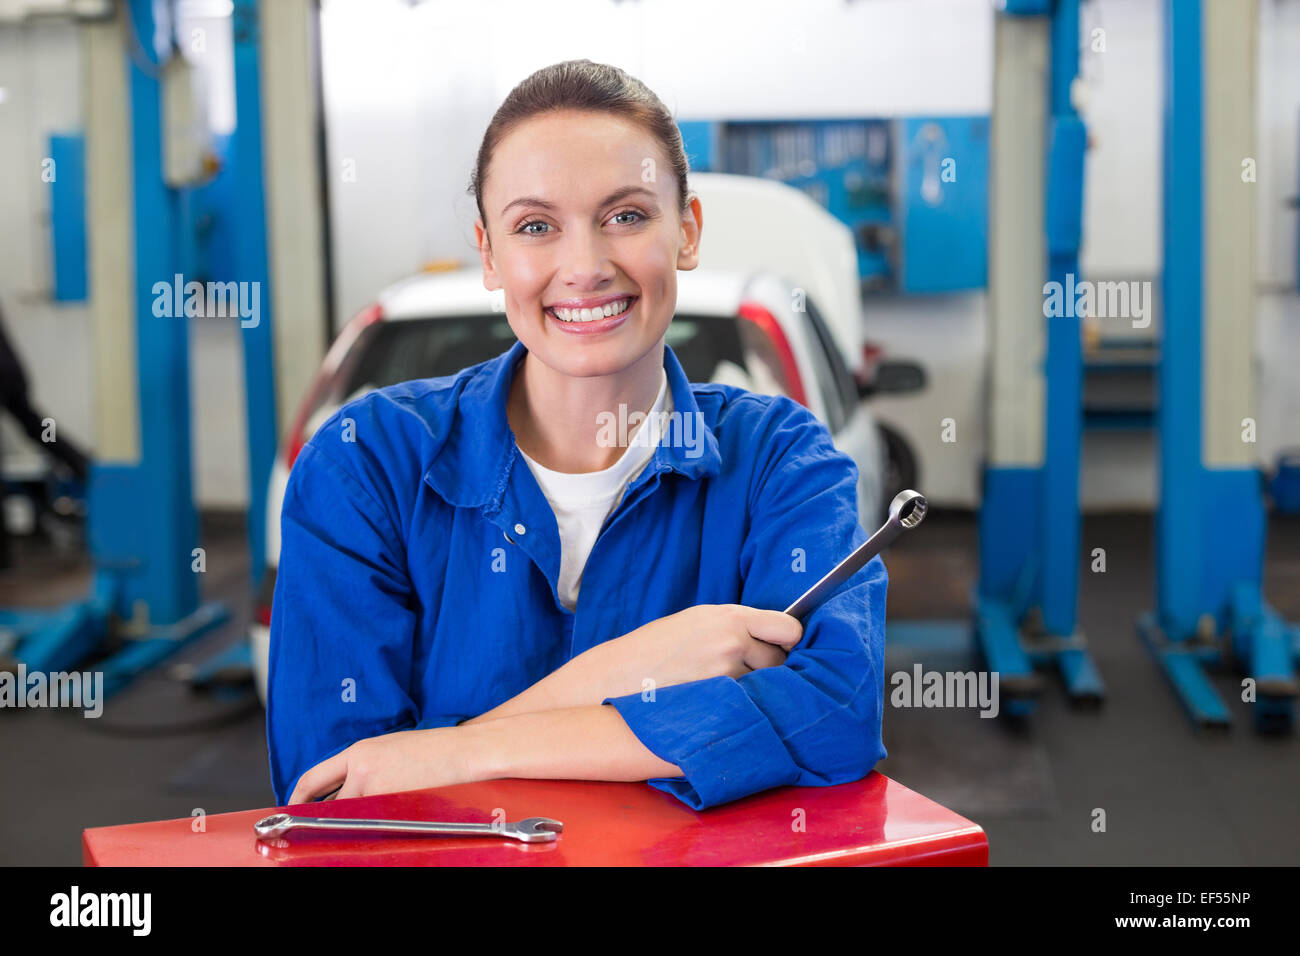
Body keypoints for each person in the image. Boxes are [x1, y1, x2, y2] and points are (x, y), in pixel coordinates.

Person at [267, 59, 888, 811]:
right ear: (490, 254)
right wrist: (633, 669)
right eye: (536, 227)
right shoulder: (365, 464)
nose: (586, 267)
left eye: (627, 216)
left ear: (686, 232)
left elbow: (834, 718)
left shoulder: (780, 463)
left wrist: (452, 753)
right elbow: (330, 792)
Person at [0, 305, 91, 570]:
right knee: (38, 428)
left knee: (34, 427)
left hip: (6, 373)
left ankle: (2, 558)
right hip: (11, 372)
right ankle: (86, 468)